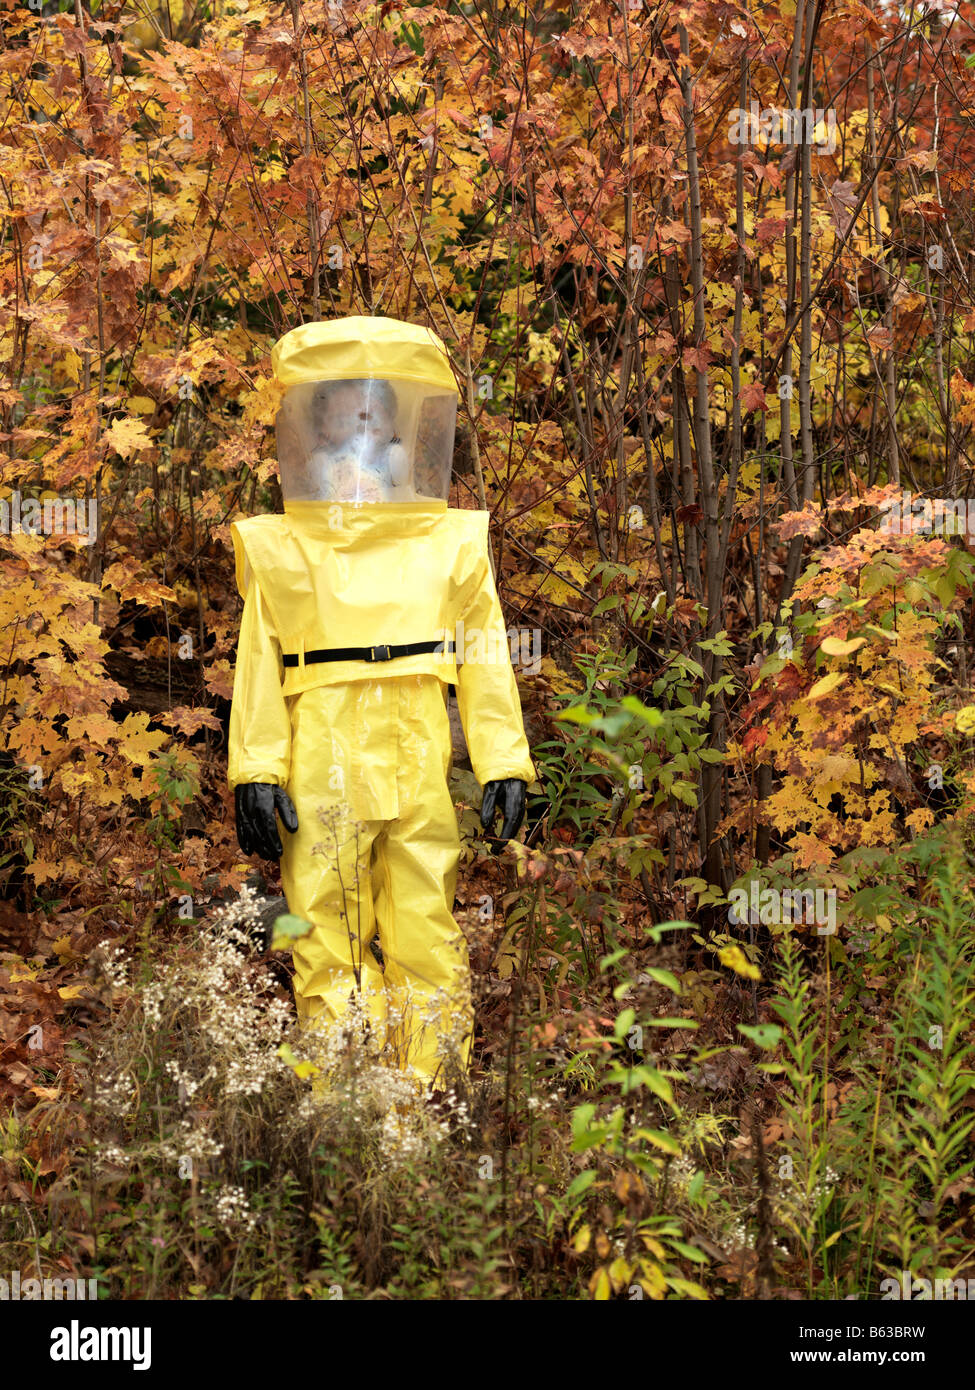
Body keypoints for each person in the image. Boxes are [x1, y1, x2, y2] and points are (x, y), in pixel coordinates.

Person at [228, 316, 535, 1094]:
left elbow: (485, 653)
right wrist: (256, 768)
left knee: (423, 920)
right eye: (344, 406)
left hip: (414, 735)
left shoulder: (451, 540)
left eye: (378, 407)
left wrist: (504, 761)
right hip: (318, 741)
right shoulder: (280, 544)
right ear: (312, 418)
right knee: (323, 924)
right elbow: (259, 659)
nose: (362, 422)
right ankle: (341, 1106)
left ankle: (427, 1098)